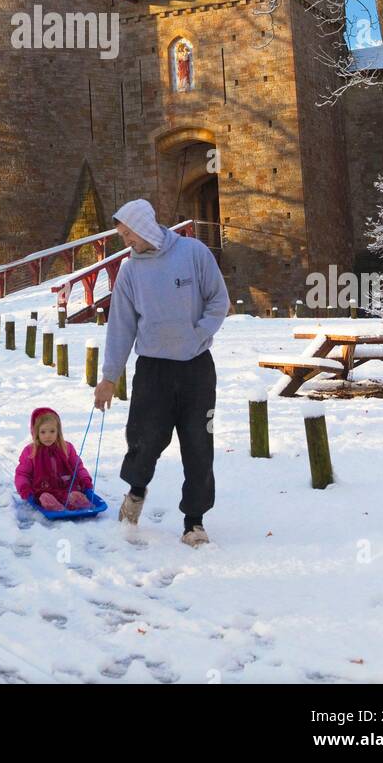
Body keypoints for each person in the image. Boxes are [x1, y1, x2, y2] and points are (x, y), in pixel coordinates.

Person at [94, 199, 229, 546]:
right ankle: (135, 493)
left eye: (128, 234)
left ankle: (194, 522)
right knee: (144, 438)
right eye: (122, 236)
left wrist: (198, 334)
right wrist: (109, 378)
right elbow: (121, 327)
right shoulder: (129, 271)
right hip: (152, 369)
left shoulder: (193, 253)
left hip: (196, 368)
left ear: (144, 226)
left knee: (199, 444)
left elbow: (218, 300)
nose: (126, 242)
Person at [14, 405, 93, 511]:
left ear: (58, 432)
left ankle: (78, 503)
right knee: (45, 497)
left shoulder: (66, 448)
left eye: (52, 431)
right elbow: (22, 474)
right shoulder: (30, 451)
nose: (48, 436)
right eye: (43, 432)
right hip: (42, 490)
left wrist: (85, 481)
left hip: (66, 488)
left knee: (75, 495)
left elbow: (78, 467)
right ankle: (54, 506)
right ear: (36, 432)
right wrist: (25, 490)